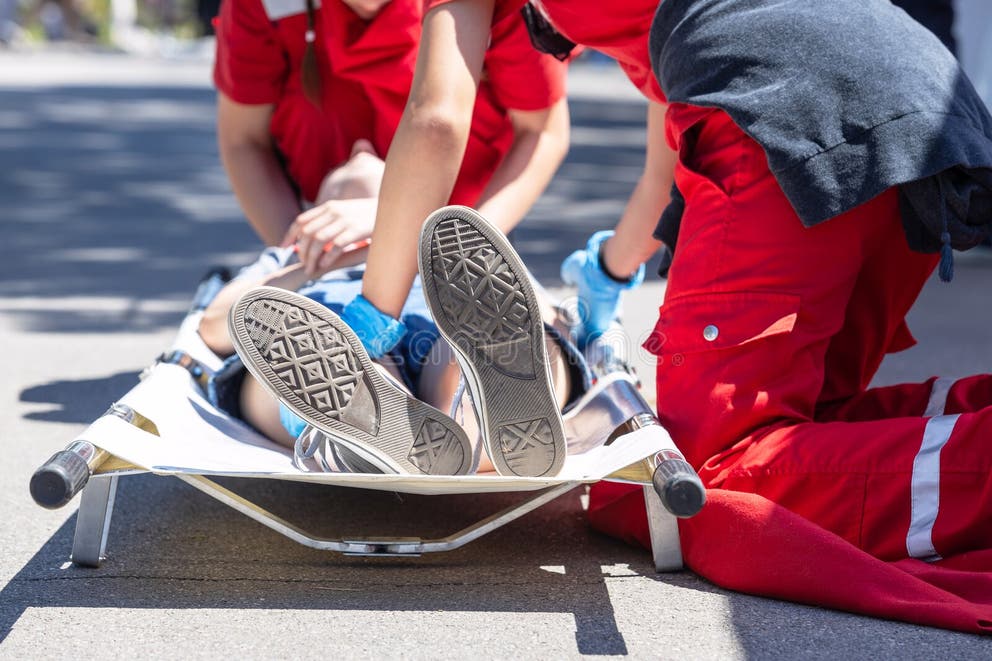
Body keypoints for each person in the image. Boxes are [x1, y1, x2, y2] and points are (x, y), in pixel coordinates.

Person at [331, 0, 992, 630]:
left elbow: (437, 119)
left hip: (785, 106)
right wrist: (611, 275)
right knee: (807, 434)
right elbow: (661, 172)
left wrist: (375, 311)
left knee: (702, 478)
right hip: (922, 102)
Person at [199, 150, 586, 477]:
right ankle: (373, 436)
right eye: (347, 165)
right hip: (332, 342)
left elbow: (553, 321)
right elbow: (217, 327)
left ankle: (469, 417)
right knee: (325, 368)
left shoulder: (456, 251)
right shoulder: (287, 256)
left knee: (475, 351)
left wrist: (397, 235)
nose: (361, 148)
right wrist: (313, 263)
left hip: (442, 332)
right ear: (317, 210)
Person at [214, 0, 570, 250]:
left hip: (463, 234)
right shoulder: (266, 6)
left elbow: (542, 131)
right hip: (326, 240)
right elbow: (242, 138)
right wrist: (296, 251)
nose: (362, 153)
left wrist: (463, 245)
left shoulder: (497, 8)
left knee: (481, 348)